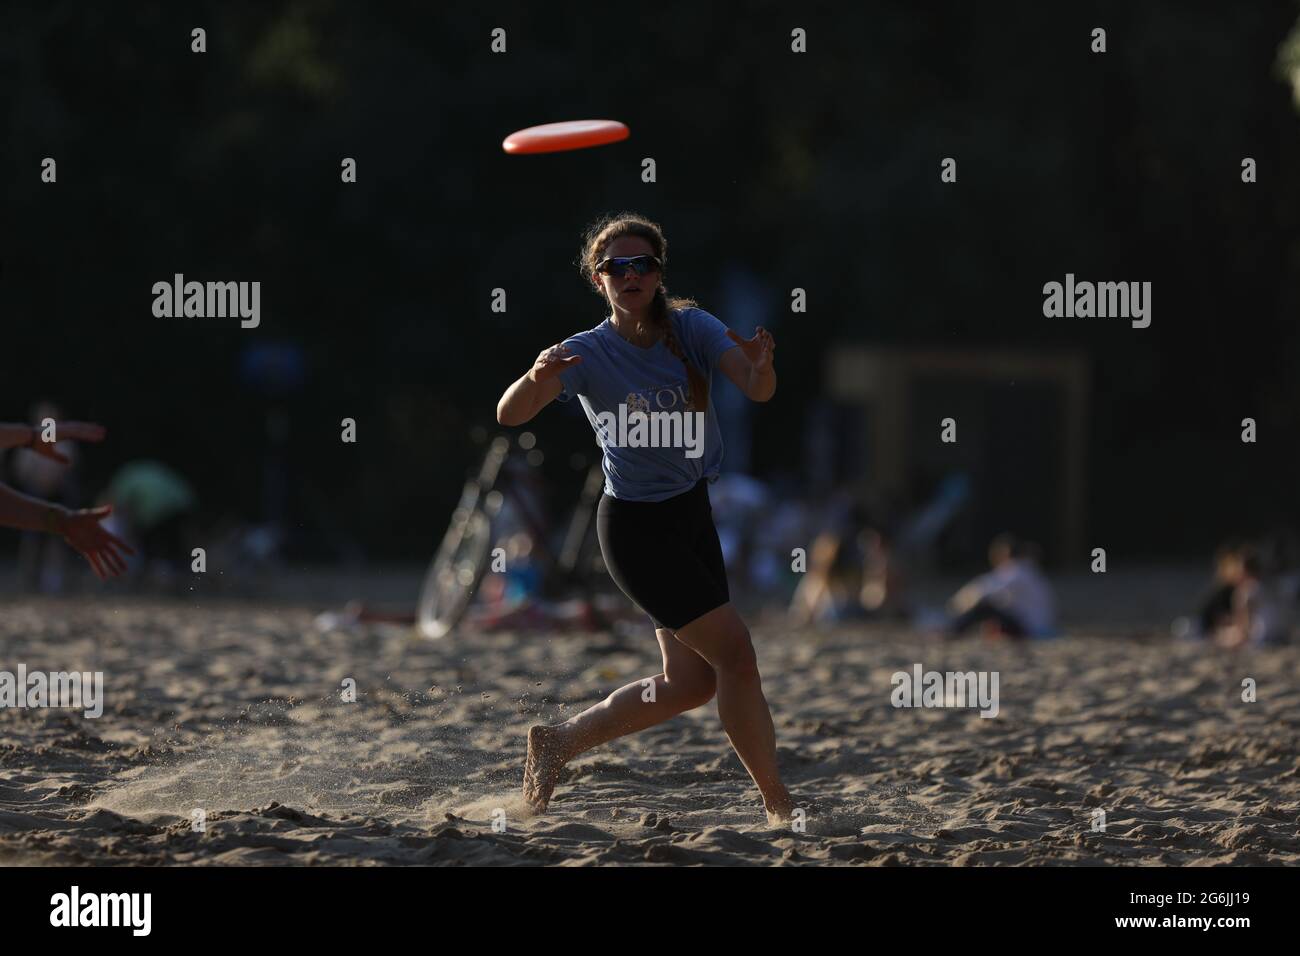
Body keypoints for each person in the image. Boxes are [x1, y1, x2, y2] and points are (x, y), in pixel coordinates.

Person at [496, 212, 795, 822]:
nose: (632, 275)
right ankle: (779, 805)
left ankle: (559, 743)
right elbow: (509, 414)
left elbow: (755, 387)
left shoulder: (693, 328)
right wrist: (536, 376)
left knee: (690, 683)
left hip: (691, 514)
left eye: (644, 265)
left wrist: (760, 368)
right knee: (736, 656)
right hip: (634, 528)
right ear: (598, 278)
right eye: (617, 267)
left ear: (659, 273)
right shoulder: (584, 351)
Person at [0, 419, 134, 579]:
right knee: (32, 542)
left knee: (53, 543)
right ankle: (28, 578)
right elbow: (21, 471)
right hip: (35, 492)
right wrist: (32, 437)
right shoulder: (32, 446)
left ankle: (52, 581)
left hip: (54, 496)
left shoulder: (60, 443)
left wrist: (61, 521)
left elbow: (68, 466)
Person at [947, 533, 1056, 639]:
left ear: (1004, 553)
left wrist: (957, 604)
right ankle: (954, 629)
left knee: (985, 607)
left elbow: (983, 590)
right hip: (1039, 626)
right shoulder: (1029, 571)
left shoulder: (1017, 570)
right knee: (995, 608)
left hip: (1030, 629)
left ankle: (952, 631)